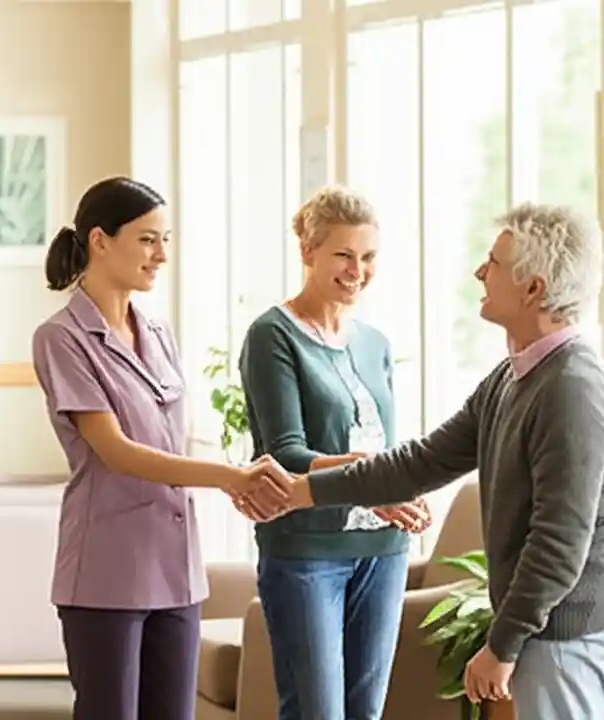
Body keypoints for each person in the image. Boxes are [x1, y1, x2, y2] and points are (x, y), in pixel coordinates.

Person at [253, 202, 604, 719]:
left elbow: (558, 544)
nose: (480, 271)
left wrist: (501, 647)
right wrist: (306, 489)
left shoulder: (572, 392)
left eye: (495, 263)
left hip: (576, 620)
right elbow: (423, 461)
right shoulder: (516, 376)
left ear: (533, 288)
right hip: (555, 615)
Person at [31, 176, 290, 720]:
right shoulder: (62, 338)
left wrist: (246, 477)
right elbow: (116, 451)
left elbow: (172, 437)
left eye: (165, 239)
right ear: (100, 241)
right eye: (148, 239)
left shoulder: (159, 333)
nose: (162, 255)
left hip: (176, 569)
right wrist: (227, 476)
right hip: (106, 569)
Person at [235, 185, 433, 720]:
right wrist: (377, 481)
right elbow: (287, 456)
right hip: (306, 552)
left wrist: (402, 489)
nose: (358, 269)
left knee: (364, 713)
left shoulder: (376, 344)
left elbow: (386, 449)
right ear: (308, 253)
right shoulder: (271, 336)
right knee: (316, 713)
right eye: (343, 255)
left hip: (383, 550)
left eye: (368, 257)